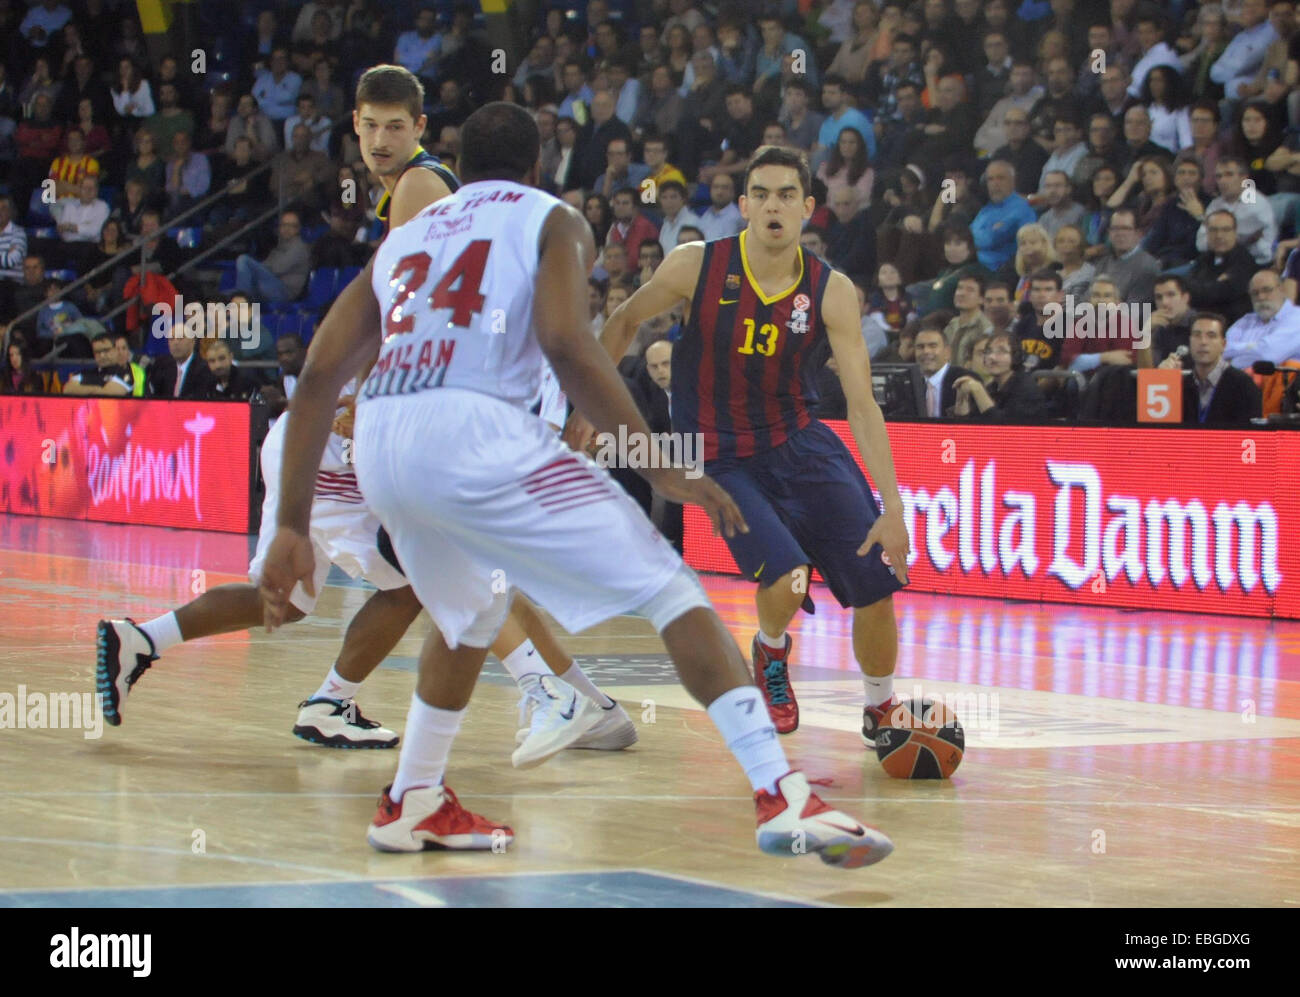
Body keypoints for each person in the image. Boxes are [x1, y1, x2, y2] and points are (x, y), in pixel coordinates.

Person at [260, 107, 894, 864]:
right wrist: (655, 457)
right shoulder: (553, 218)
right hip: (475, 432)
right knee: (671, 589)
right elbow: (567, 340)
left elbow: (318, 378)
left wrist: (292, 524)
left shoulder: (411, 234)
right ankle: (781, 790)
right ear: (538, 166)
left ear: (459, 161)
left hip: (384, 441)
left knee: (467, 613)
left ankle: (413, 798)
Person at [100, 68, 634, 766]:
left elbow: (411, 310)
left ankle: (156, 645)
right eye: (370, 125)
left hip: (339, 427)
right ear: (353, 124)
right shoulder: (433, 199)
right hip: (341, 435)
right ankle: (550, 694)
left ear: (419, 129)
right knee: (447, 555)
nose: (381, 140)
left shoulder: (419, 185)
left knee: (303, 597)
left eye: (396, 126)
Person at [581, 141, 914, 757]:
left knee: (876, 577)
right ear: (742, 205)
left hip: (801, 443)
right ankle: (770, 650)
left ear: (809, 207)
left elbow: (863, 405)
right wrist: (588, 408)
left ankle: (881, 706)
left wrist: (892, 507)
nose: (773, 206)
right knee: (788, 578)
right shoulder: (695, 265)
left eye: (787, 194)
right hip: (718, 455)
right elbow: (624, 319)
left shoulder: (832, 291)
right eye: (759, 194)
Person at [1158, 311, 1263, 423]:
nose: (1203, 342)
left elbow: (1251, 435)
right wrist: (1164, 383)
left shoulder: (1243, 385)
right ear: (1190, 341)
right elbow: (1161, 431)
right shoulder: (1182, 385)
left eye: (1211, 336)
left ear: (1223, 345)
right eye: (1197, 335)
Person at [951, 331, 1047, 421]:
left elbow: (1002, 430)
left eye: (1001, 351)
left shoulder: (1026, 390)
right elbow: (965, 428)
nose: (991, 357)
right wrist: (962, 399)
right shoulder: (992, 388)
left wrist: (978, 391)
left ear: (1015, 357)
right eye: (988, 351)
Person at [1224, 268, 1300, 366]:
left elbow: (1269, 356)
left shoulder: (1296, 318)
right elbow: (1219, 349)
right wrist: (1255, 347)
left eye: (1266, 290)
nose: (1261, 297)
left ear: (1282, 289)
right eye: (1255, 293)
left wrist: (1231, 361)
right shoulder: (1245, 321)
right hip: (1238, 379)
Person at [913, 318, 976, 417]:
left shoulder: (966, 379)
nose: (926, 351)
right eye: (920, 347)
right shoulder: (908, 383)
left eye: (933, 346)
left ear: (947, 352)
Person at [61, 330, 128, 396]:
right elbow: (68, 390)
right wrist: (98, 389)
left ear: (117, 350)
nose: (101, 355)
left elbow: (108, 395)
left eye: (106, 350)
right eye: (97, 352)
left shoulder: (128, 372)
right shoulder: (84, 373)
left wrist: (83, 389)